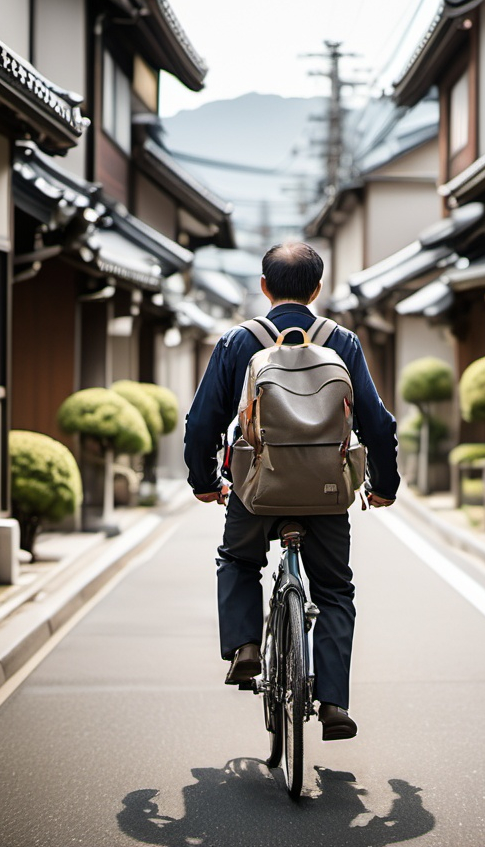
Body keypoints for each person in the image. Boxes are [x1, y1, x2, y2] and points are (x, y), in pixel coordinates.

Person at [184, 241, 399, 741]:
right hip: (325, 492)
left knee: (238, 560)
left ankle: (245, 648)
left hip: (254, 488)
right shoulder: (341, 341)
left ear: (264, 287)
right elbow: (377, 421)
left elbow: (202, 422)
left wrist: (204, 480)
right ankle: (332, 703)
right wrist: (383, 485)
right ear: (317, 289)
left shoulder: (239, 342)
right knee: (334, 590)